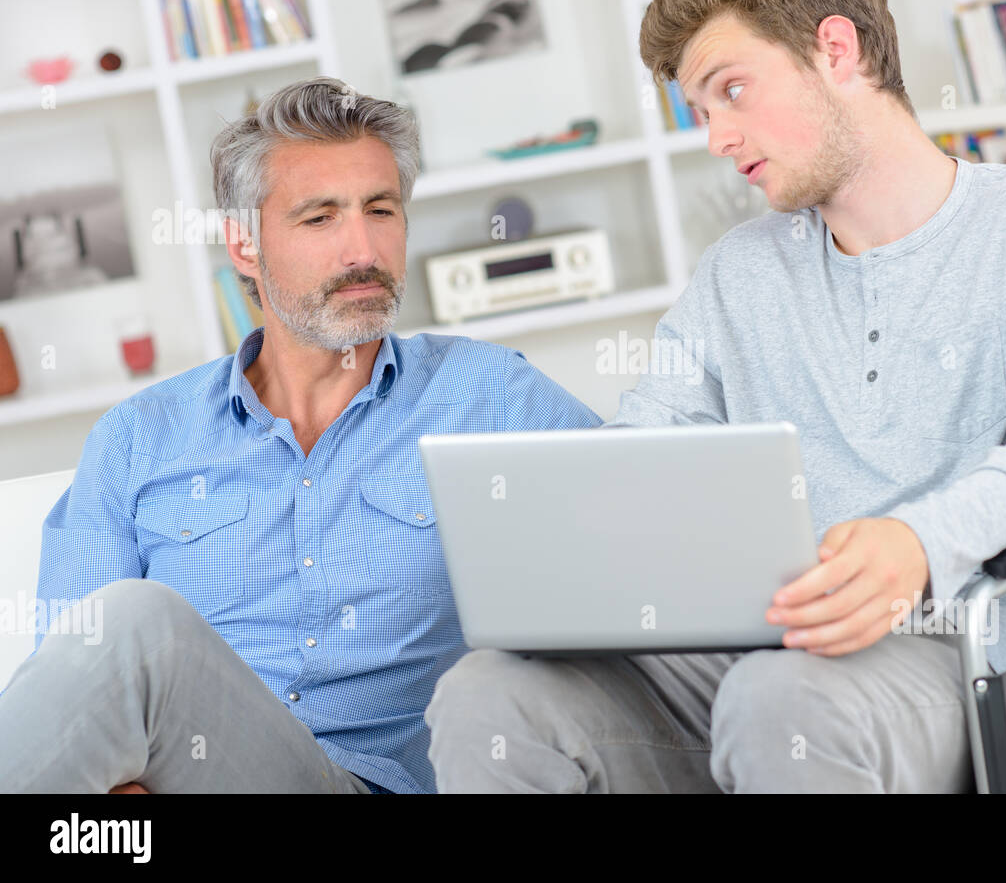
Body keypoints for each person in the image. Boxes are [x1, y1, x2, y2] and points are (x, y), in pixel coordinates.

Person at [426, 0, 1006, 793]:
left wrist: (921, 543)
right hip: (768, 648)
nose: (716, 137)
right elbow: (642, 451)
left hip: (977, 645)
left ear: (836, 50)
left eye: (732, 90)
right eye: (700, 110)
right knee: (488, 697)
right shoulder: (740, 271)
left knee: (782, 701)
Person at [0, 77, 600, 793]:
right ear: (245, 247)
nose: (362, 249)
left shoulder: (489, 394)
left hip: (385, 783)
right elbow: (78, 691)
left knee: (136, 620)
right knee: (124, 628)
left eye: (381, 209)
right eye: (320, 218)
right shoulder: (137, 440)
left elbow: (640, 529)